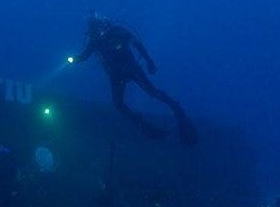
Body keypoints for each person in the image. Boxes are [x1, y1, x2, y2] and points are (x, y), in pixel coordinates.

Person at [69, 13, 197, 146]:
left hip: (130, 69)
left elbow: (137, 44)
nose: (97, 32)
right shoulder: (95, 41)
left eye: (97, 28)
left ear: (102, 25)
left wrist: (149, 61)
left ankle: (177, 111)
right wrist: (73, 60)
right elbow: (84, 56)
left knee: (151, 92)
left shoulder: (118, 31)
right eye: (94, 30)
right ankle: (141, 123)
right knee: (119, 103)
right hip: (117, 75)